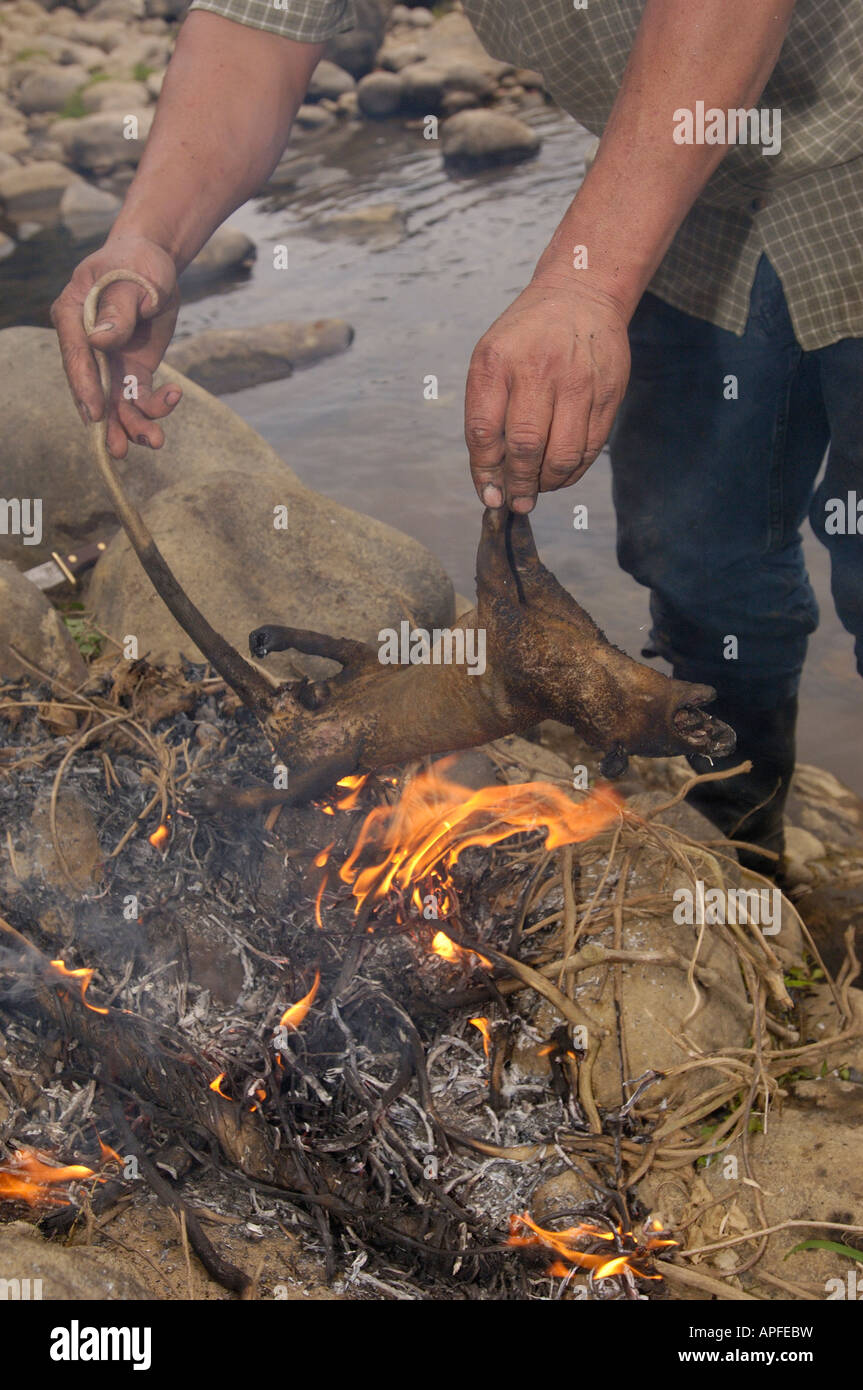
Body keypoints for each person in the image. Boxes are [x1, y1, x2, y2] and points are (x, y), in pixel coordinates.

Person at [52, 0, 863, 875]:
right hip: (684, 197)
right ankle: (745, 847)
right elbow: (260, 28)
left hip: (838, 167)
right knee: (698, 565)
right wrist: (148, 237)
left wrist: (582, 286)